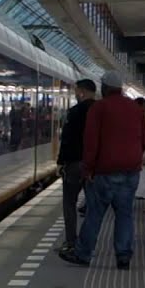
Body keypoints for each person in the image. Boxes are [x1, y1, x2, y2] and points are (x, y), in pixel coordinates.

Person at [59, 72, 145, 270]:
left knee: (94, 214)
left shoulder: (99, 108)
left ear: (104, 88)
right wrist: (132, 159)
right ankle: (123, 257)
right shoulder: (135, 108)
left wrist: (88, 168)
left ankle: (83, 254)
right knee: (124, 214)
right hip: (131, 171)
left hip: (104, 171)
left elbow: (91, 142)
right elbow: (143, 140)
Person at [56, 79, 97, 253]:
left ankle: (71, 242)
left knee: (69, 203)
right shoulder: (100, 110)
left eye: (76, 91)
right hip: (95, 165)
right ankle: (88, 243)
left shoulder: (74, 112)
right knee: (94, 205)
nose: (75, 94)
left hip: (74, 163)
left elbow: (67, 139)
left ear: (81, 91)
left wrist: (60, 162)